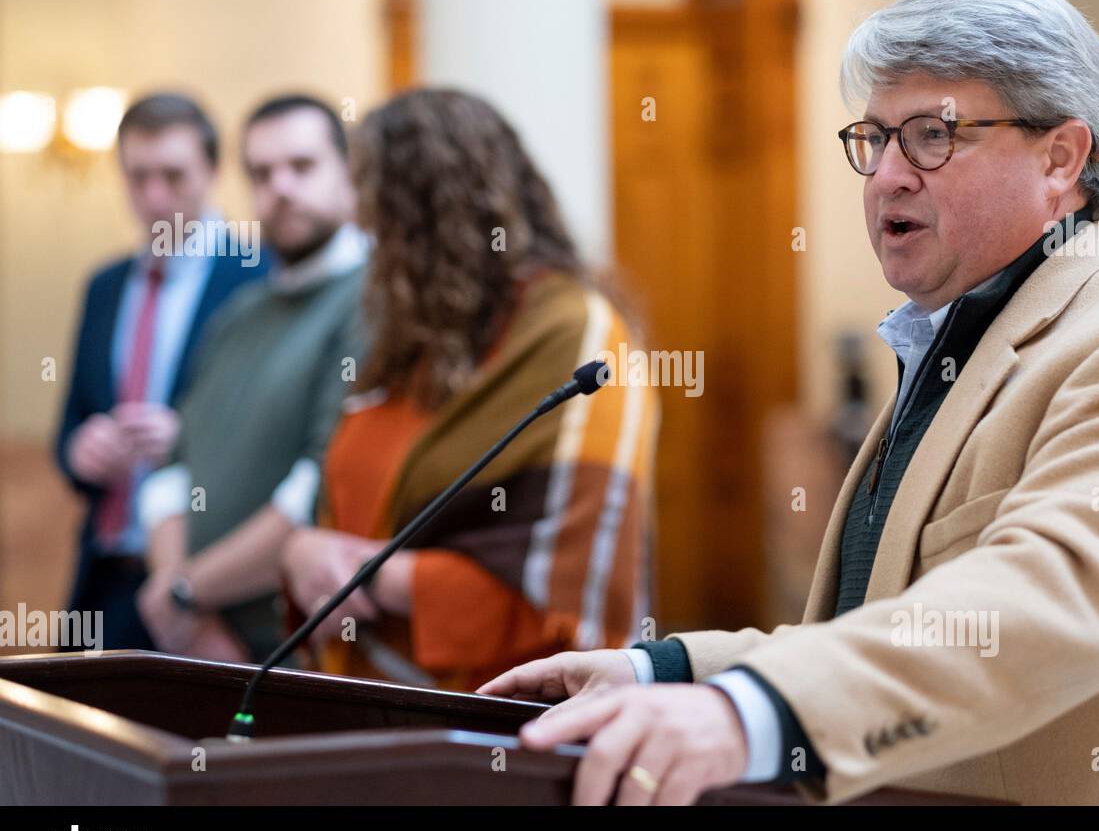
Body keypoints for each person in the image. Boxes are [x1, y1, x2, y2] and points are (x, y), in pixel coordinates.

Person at [480, 0, 1099, 806]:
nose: (887, 177)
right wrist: (667, 670)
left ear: (1061, 158)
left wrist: (755, 714)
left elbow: (1048, 600)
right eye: (875, 138)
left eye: (933, 136)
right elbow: (871, 631)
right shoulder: (949, 339)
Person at [279, 88, 659, 692]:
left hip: (500, 722)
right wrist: (301, 551)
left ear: (432, 217)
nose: (361, 228)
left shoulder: (576, 333)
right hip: (360, 699)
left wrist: (368, 577)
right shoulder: (415, 334)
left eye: (380, 212)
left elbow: (571, 594)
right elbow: (348, 496)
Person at [136, 94, 367, 662]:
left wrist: (189, 592)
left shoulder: (372, 300)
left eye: (302, 166)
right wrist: (180, 602)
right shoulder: (242, 312)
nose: (281, 188)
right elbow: (172, 466)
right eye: (261, 173)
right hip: (197, 642)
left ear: (349, 174)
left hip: (291, 650)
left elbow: (317, 489)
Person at [55, 92, 266, 651]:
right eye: (138, 176)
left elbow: (280, 438)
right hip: (104, 576)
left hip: (208, 585)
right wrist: (81, 449)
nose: (154, 196)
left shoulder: (259, 278)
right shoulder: (104, 285)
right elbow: (70, 422)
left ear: (213, 171)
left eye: (173, 175)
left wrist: (189, 442)